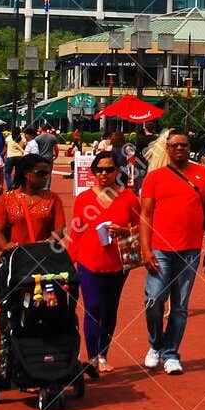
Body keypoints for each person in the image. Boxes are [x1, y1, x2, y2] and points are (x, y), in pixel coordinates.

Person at [138, 130, 205, 375]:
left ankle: (171, 352)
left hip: (190, 248)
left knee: (180, 306)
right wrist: (145, 248)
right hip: (160, 248)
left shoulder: (204, 175)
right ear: (168, 149)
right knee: (154, 299)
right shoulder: (154, 177)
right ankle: (156, 343)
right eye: (175, 145)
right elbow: (145, 215)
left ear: (189, 148)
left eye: (184, 145)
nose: (180, 148)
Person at [67, 149, 142, 375]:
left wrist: (125, 230)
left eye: (109, 170)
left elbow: (142, 228)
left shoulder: (129, 198)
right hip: (88, 261)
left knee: (110, 310)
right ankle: (90, 357)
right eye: (98, 170)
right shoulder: (84, 199)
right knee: (92, 308)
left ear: (117, 171)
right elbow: (76, 231)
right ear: (93, 172)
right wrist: (69, 261)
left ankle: (102, 354)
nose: (103, 174)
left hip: (117, 263)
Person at [0, 154, 65, 246]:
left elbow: (61, 228)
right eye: (41, 173)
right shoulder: (7, 198)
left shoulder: (53, 199)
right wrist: (6, 247)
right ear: (27, 174)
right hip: (18, 255)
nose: (46, 177)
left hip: (43, 255)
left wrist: (49, 242)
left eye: (47, 173)